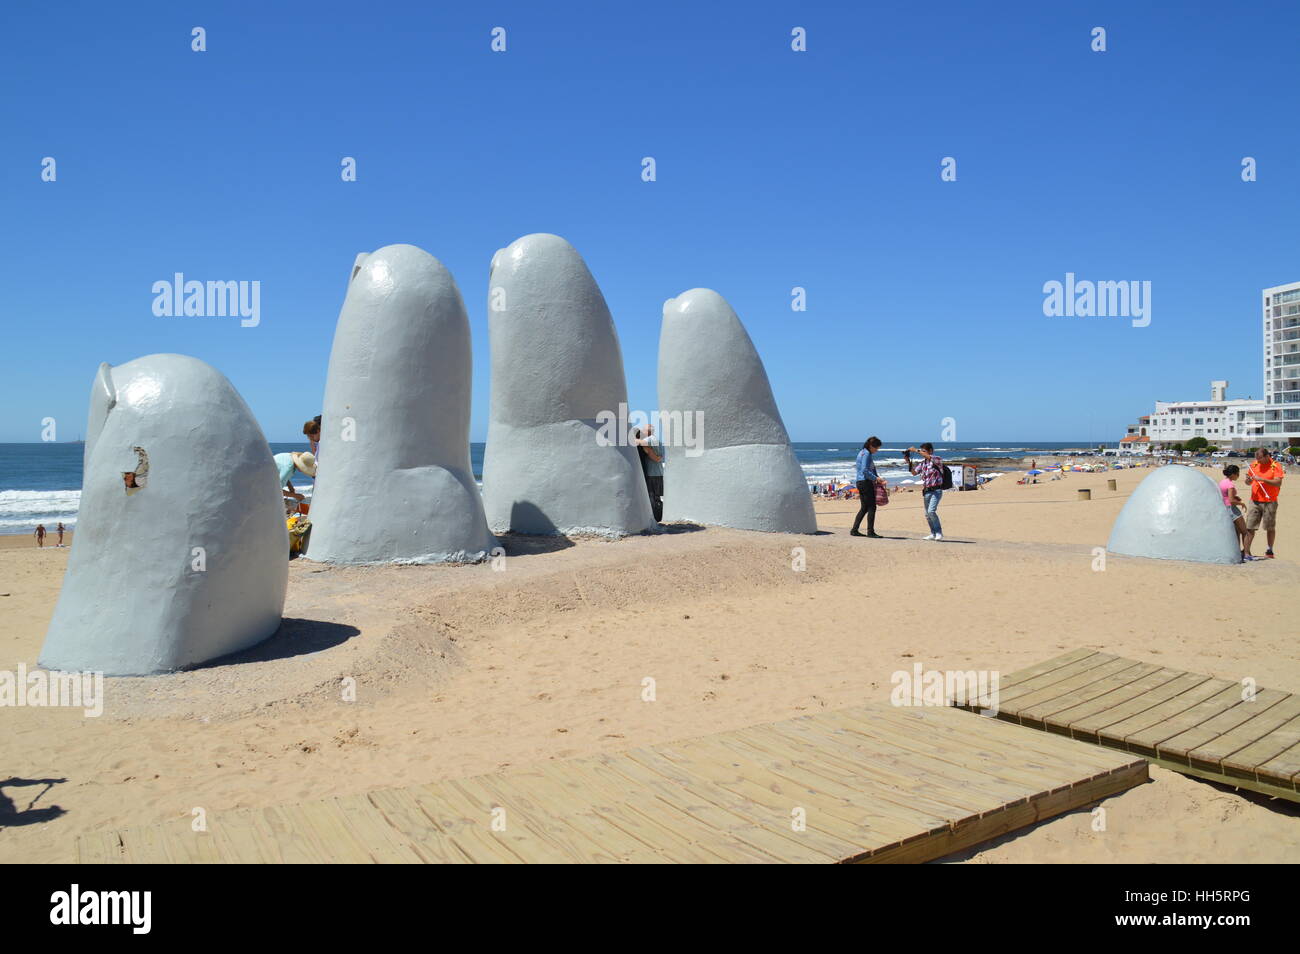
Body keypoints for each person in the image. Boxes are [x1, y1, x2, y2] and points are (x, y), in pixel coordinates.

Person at [1243, 448, 1284, 559]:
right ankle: (1246, 552)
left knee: (1269, 527)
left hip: (1270, 501)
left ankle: (1269, 550)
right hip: (1255, 500)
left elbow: (1278, 482)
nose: (1258, 461)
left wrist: (1262, 479)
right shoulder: (1254, 465)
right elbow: (1248, 482)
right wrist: (1248, 480)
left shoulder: (1275, 465)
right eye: (1257, 459)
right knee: (1250, 527)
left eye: (1260, 459)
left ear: (1267, 456)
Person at [904, 443, 945, 541]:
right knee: (927, 514)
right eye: (921, 450)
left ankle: (939, 532)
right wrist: (908, 461)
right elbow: (914, 473)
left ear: (930, 451)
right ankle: (933, 533)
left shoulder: (937, 459)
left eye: (924, 451)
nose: (922, 453)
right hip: (926, 491)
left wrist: (915, 450)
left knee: (931, 511)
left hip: (936, 490)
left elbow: (928, 457)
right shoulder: (923, 463)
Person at [850, 437, 885, 538]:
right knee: (872, 507)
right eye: (876, 448)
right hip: (865, 482)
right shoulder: (866, 454)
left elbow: (870, 469)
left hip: (860, 482)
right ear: (871, 446)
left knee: (864, 508)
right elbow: (865, 470)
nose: (877, 450)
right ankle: (870, 532)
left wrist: (877, 478)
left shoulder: (862, 452)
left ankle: (854, 530)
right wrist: (876, 478)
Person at [632, 426, 665, 522]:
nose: (642, 431)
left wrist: (632, 439)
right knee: (656, 497)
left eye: (643, 430)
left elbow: (643, 444)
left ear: (648, 431)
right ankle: (658, 516)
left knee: (652, 497)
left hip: (652, 473)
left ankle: (656, 518)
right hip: (657, 472)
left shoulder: (648, 440)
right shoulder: (656, 440)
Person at [1220, 465, 1249, 560]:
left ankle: (1236, 553)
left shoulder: (1222, 482)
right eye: (1237, 474)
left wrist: (1235, 498)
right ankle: (1247, 554)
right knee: (1245, 532)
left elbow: (1225, 496)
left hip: (1225, 509)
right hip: (1232, 509)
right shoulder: (1230, 485)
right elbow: (1231, 501)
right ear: (1233, 474)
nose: (1238, 475)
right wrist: (1241, 503)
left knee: (1236, 532)